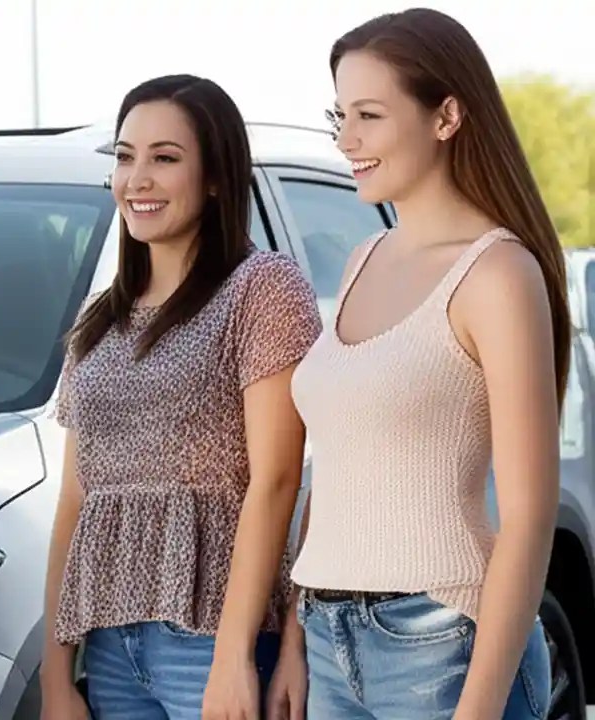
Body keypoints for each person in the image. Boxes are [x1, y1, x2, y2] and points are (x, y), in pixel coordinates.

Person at [288, 8, 567, 719]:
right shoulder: (361, 261)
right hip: (328, 637)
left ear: (445, 116)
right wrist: (297, 633)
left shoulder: (497, 273)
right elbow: (339, 465)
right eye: (340, 114)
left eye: (369, 116)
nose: (345, 139)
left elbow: (530, 518)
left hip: (441, 642)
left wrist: (477, 708)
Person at [39, 74, 322, 720]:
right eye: (124, 156)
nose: (137, 179)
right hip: (111, 646)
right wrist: (57, 675)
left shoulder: (262, 289)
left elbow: (276, 481)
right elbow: (74, 501)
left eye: (165, 158)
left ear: (217, 176)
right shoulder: (98, 322)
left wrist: (233, 658)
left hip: (215, 641)